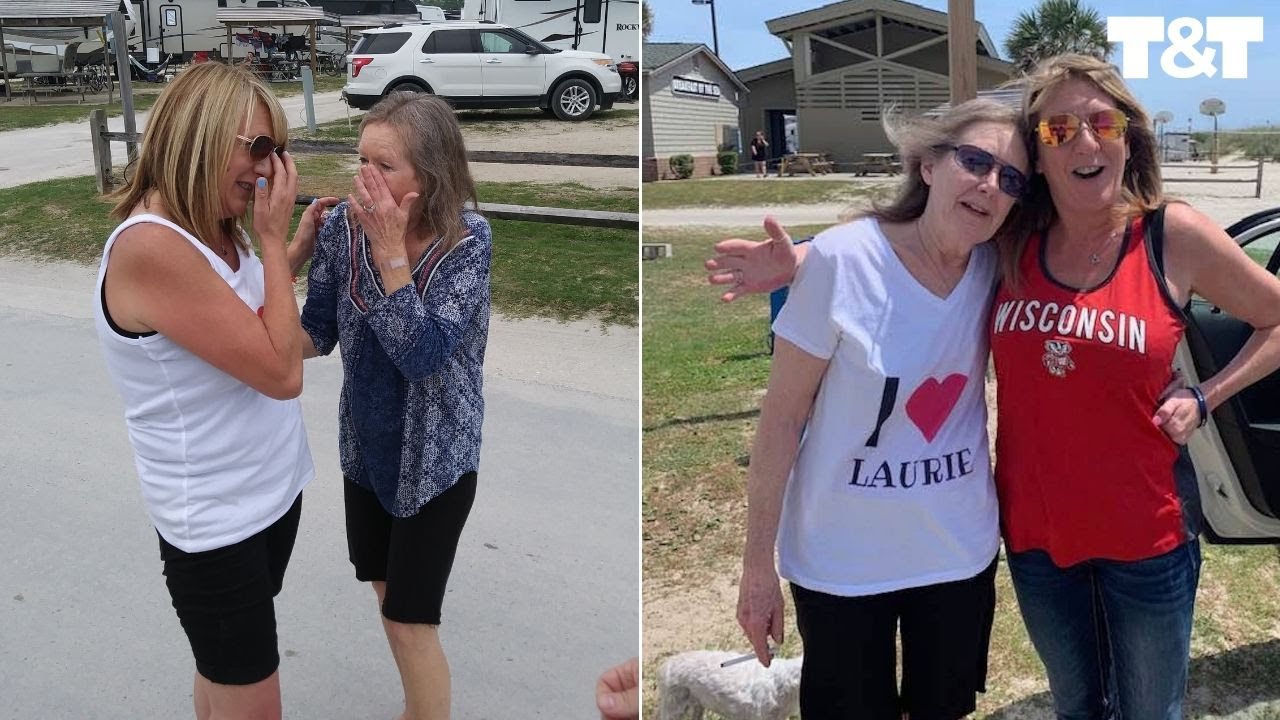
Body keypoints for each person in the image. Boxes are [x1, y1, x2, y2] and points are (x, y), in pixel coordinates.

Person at [710, 54, 1280, 720]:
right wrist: (804, 258)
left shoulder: (1105, 242)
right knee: (1073, 706)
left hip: (1093, 542)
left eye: (1103, 123)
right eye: (1058, 130)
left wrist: (1207, 395)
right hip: (1016, 546)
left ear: (1129, 137)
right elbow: (882, 259)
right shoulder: (1006, 247)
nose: (1085, 142)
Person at [736, 98, 1032, 719]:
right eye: (975, 161)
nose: (990, 185)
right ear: (928, 165)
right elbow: (781, 419)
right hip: (842, 559)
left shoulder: (997, 267)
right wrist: (757, 568)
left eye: (1011, 179)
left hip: (957, 551)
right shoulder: (842, 261)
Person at [94, 61, 323, 719]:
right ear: (201, 134)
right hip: (218, 528)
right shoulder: (152, 248)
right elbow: (281, 373)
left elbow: (243, 322)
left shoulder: (216, 225)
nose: (270, 168)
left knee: (221, 676)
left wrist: (290, 253)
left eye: (278, 150)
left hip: (266, 498)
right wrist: (274, 242)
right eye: (259, 147)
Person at [296, 91, 492, 720]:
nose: (366, 177)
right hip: (367, 449)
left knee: (411, 619)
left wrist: (390, 256)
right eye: (362, 159)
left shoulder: (467, 240)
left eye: (385, 165)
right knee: (388, 596)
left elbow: (424, 356)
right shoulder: (339, 230)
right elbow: (315, 331)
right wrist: (275, 260)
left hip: (437, 461)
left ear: (428, 175)